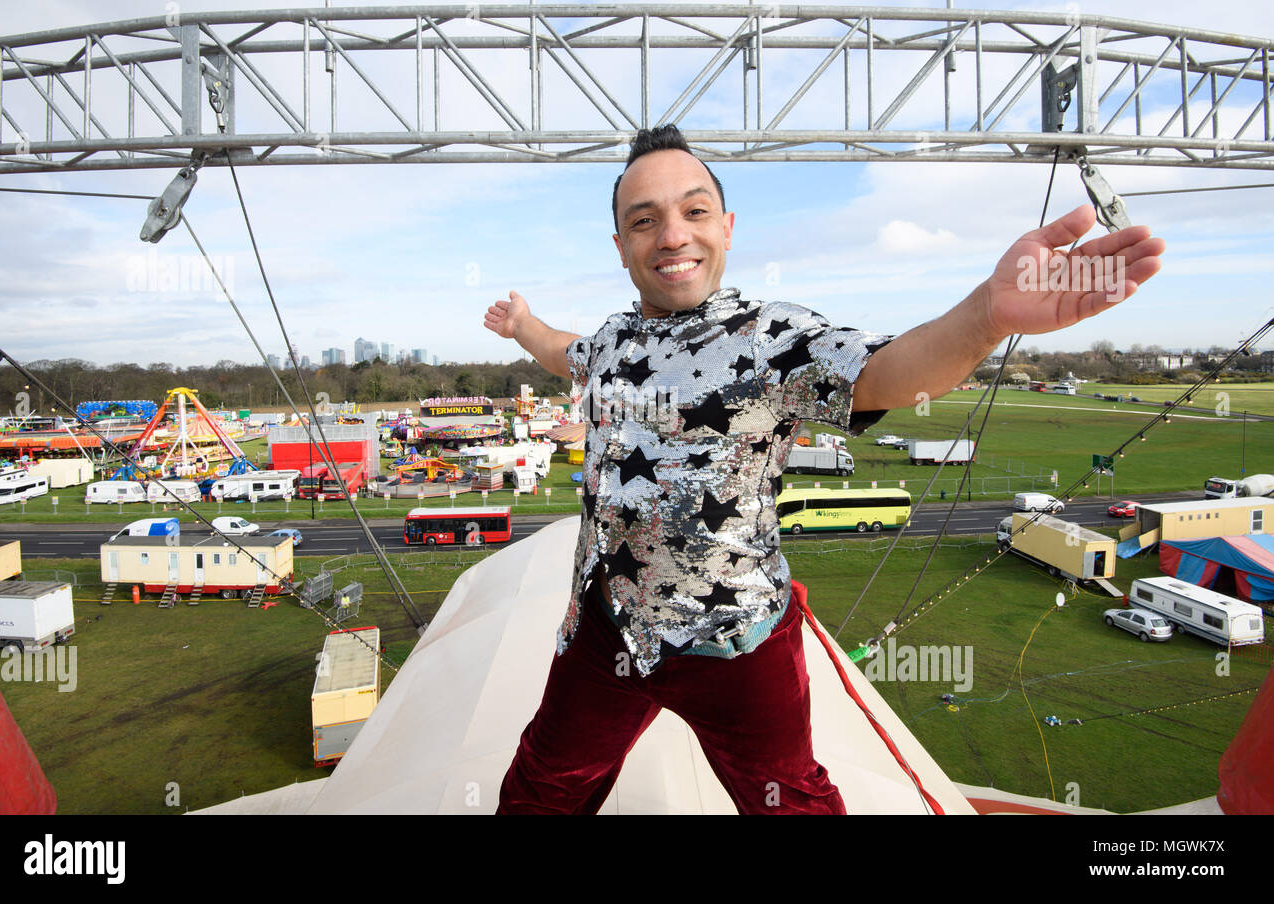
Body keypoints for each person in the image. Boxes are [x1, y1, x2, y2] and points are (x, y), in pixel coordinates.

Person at [482, 125, 1164, 814]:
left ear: (727, 226)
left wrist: (985, 316)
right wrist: (522, 324)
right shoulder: (610, 342)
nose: (672, 236)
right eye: (644, 220)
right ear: (622, 245)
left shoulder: (771, 340)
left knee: (790, 798)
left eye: (693, 211)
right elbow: (565, 351)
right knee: (542, 788)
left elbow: (882, 372)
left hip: (737, 645)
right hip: (609, 628)